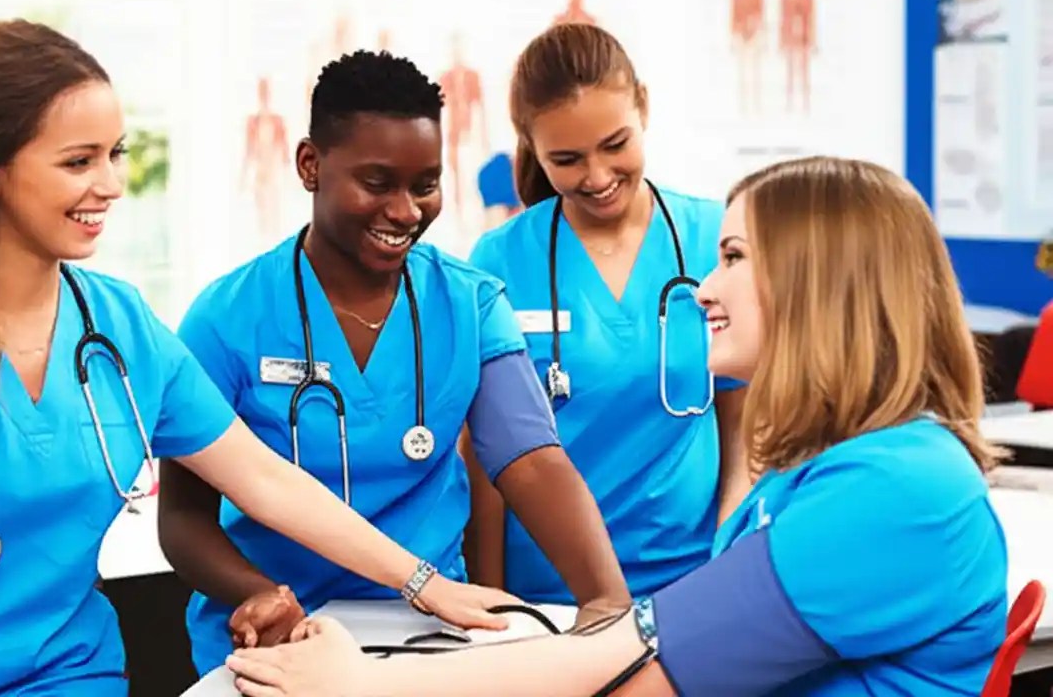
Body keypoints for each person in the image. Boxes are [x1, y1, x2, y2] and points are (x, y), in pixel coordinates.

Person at [0, 20, 518, 697]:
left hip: (59, 678)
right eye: (77, 161)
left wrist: (426, 584)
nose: (111, 184)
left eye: (115, 155)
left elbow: (263, 480)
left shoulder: (121, 325)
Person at [224, 155, 1010, 697]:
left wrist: (364, 682)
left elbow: (635, 666)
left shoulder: (893, 492)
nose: (704, 286)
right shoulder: (851, 469)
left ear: (820, 284)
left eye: (733, 256)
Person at [160, 49, 630, 678]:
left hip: (426, 634)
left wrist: (605, 601)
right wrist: (254, 591)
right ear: (310, 165)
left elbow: (532, 460)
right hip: (275, 643)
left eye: (425, 185)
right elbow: (183, 519)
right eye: (377, 183)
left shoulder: (468, 303)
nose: (406, 211)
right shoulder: (227, 318)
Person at [465, 23, 748, 608]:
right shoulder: (498, 260)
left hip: (690, 582)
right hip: (547, 593)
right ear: (532, 149)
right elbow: (484, 456)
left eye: (615, 145)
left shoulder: (714, 236)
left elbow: (743, 420)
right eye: (565, 160)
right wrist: (490, 606)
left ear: (643, 105)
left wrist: (730, 558)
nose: (596, 177)